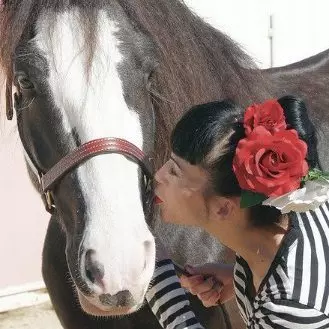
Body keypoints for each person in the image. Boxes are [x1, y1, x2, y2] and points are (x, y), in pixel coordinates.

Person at [144, 96, 329, 328]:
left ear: (223, 207)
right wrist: (237, 276)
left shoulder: (291, 309)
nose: (159, 176)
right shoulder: (298, 202)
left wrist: (157, 275)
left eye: (174, 171)